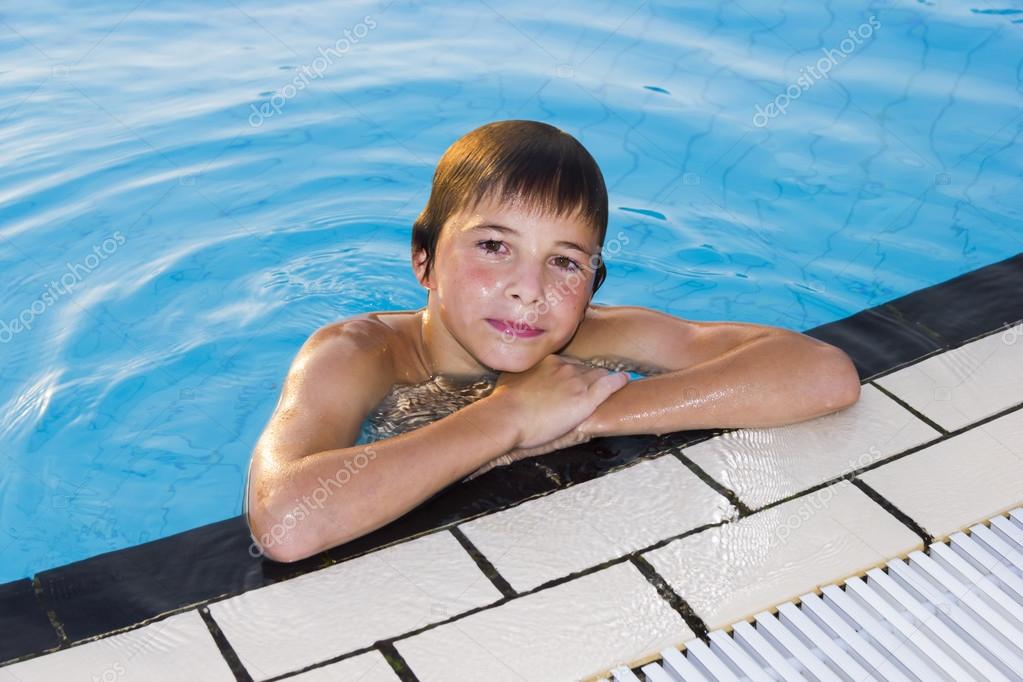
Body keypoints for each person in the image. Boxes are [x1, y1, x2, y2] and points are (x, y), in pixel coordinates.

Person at [243, 120, 861, 563]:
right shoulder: (361, 354)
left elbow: (821, 373)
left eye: (564, 262)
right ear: (423, 260)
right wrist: (507, 418)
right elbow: (284, 524)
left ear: (593, 286)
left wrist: (589, 415)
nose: (529, 290)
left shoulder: (599, 336)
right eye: (494, 246)